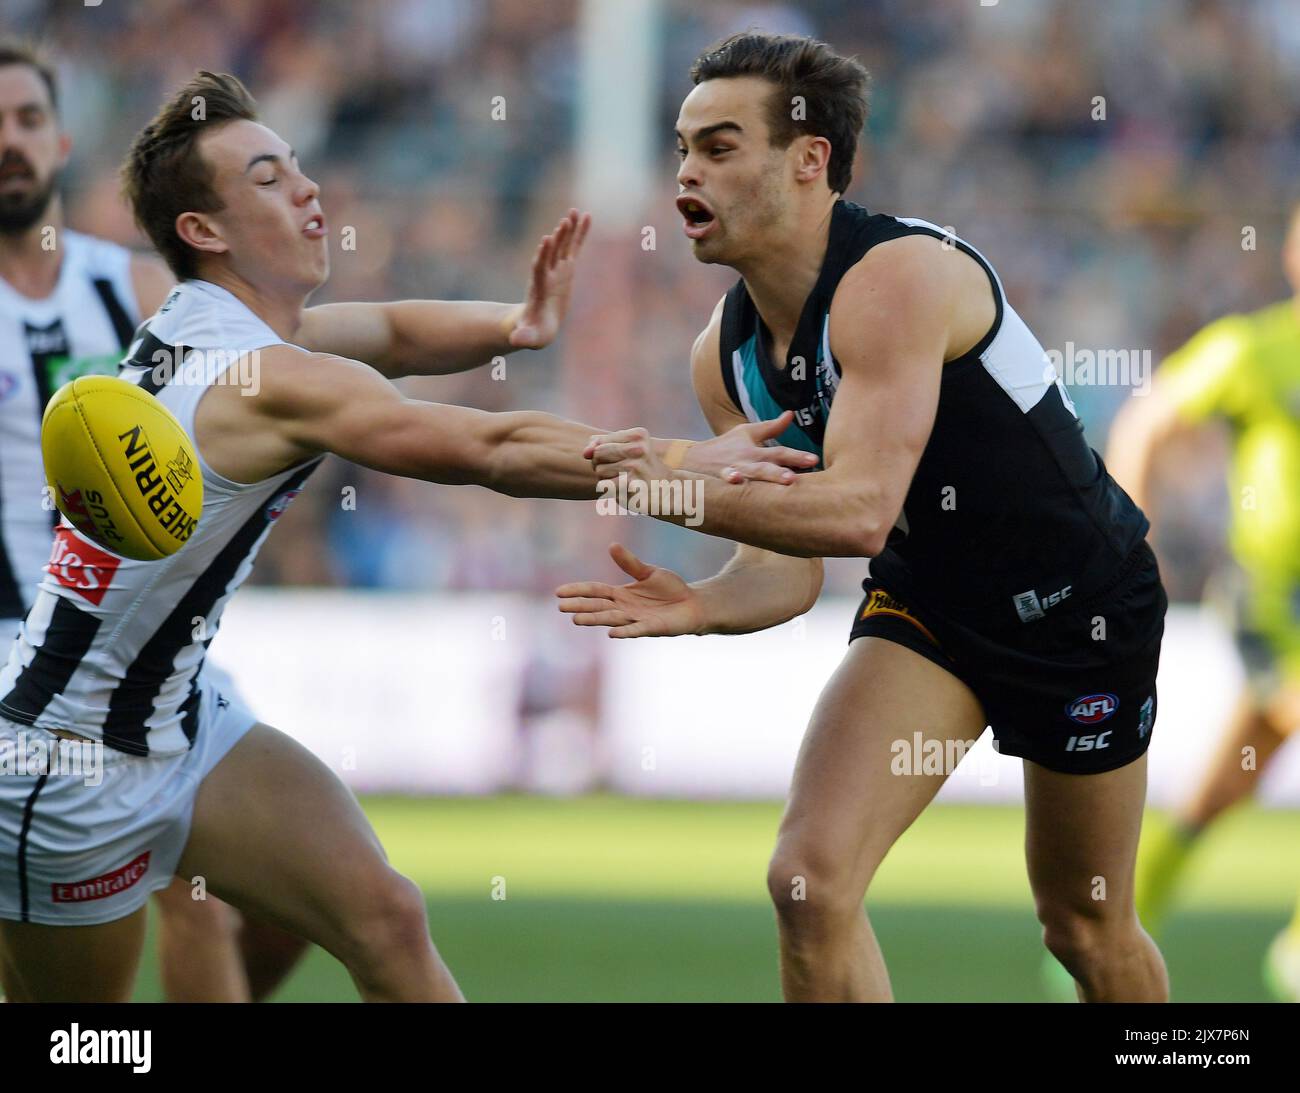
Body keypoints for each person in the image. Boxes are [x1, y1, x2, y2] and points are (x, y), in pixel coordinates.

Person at [0, 69, 808, 1002]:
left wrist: (513, 325)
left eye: (295, 165)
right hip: (69, 763)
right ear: (204, 231)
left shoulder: (204, 327)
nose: (307, 189)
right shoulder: (269, 378)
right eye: (268, 178)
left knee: (385, 916)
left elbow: (385, 329)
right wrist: (682, 459)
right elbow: (491, 448)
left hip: (178, 718)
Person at [559, 32, 1170, 1002]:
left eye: (718, 147)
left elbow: (855, 513)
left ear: (809, 159)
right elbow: (786, 562)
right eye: (681, 149)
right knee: (807, 882)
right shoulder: (722, 356)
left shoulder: (898, 276)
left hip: (1078, 608)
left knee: (1083, 925)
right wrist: (707, 603)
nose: (685, 173)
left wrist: (660, 481)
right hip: (932, 607)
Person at [0, 36, 310, 1003]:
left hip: (131, 637)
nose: (10, 141)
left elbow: (316, 343)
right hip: (25, 668)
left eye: (28, 119)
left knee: (287, 903)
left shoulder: (132, 289)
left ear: (62, 142)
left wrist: (506, 325)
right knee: (187, 902)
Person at [1104, 202, 1300, 1002]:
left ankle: (1119, 910)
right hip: (1275, 597)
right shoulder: (1255, 348)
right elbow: (1149, 420)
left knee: (1232, 778)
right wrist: (1130, 539)